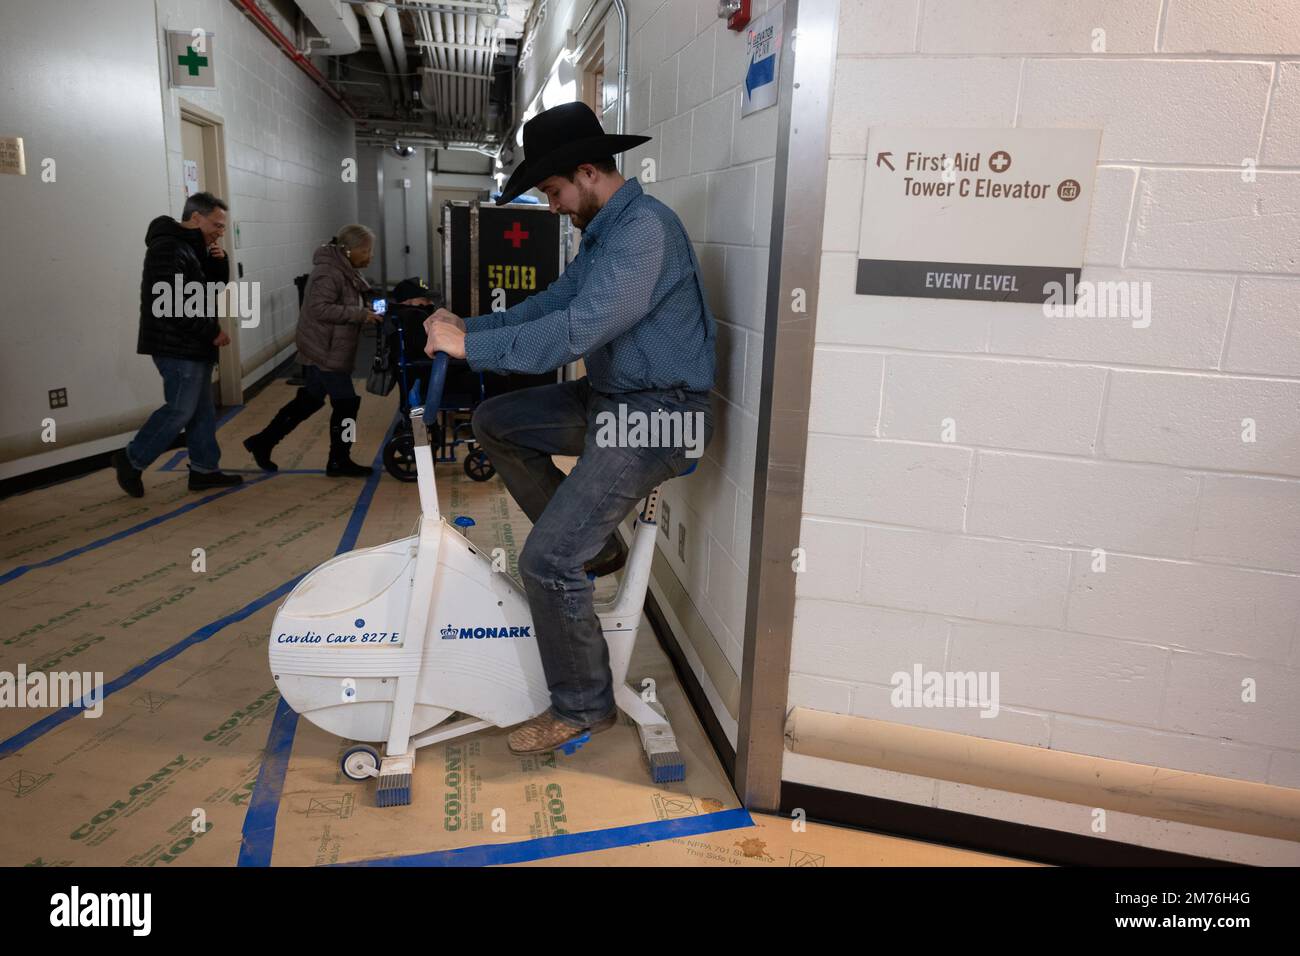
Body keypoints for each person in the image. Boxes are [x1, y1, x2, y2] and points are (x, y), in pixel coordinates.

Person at [423, 101, 716, 756]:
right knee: (497, 419)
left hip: (656, 417)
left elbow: (577, 331)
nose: (552, 206)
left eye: (554, 191)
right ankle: (598, 547)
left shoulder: (645, 232)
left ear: (588, 172)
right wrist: (469, 329)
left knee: (547, 560)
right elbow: (554, 304)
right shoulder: (606, 233)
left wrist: (471, 349)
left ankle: (584, 705)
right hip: (611, 397)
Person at [112, 192, 243, 498]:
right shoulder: (169, 247)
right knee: (180, 410)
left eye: (223, 227)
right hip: (176, 345)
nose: (220, 231)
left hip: (189, 344)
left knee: (201, 412)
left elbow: (208, 291)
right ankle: (131, 459)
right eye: (216, 224)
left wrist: (217, 262)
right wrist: (211, 331)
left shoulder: (192, 248)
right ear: (195, 218)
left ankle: (204, 471)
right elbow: (172, 304)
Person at [243, 225, 382, 476]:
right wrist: (360, 315)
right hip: (324, 348)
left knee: (310, 399)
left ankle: (262, 441)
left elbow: (350, 298)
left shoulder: (345, 269)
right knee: (347, 404)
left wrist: (372, 306)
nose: (370, 256)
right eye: (366, 250)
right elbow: (319, 308)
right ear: (349, 250)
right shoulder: (328, 273)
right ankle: (340, 460)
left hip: (330, 345)